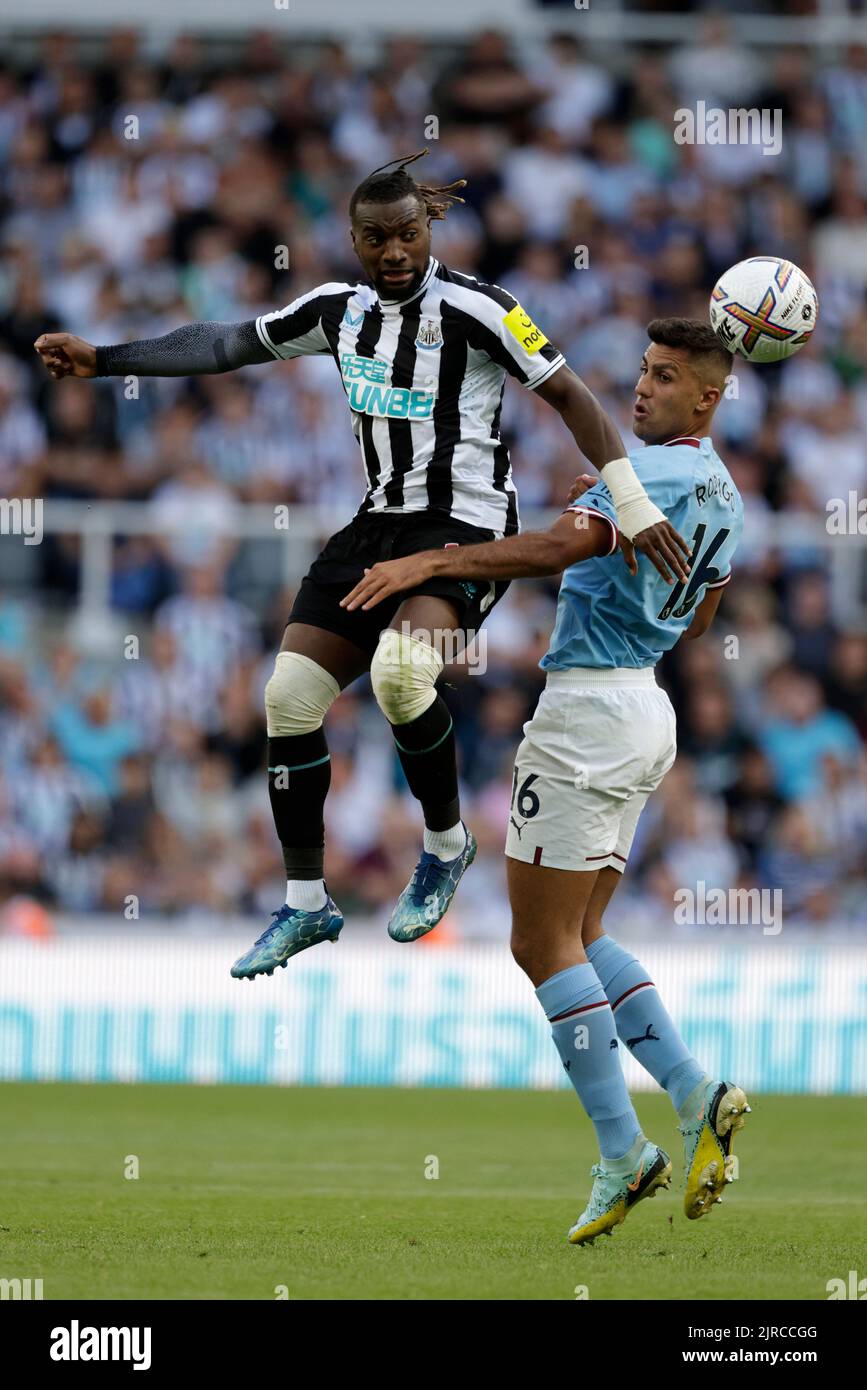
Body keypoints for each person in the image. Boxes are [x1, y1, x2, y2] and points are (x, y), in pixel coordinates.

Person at [34, 150, 689, 981]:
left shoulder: (482, 310)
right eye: (376, 238)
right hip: (376, 524)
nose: (393, 253)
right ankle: (307, 903)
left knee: (400, 676)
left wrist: (630, 502)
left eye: (407, 235)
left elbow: (573, 398)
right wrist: (106, 359)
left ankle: (445, 848)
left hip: (465, 523)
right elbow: (225, 344)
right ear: (353, 240)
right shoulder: (335, 312)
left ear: (427, 231)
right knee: (288, 698)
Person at [340, 317, 750, 1244]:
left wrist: (431, 561)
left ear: (707, 397)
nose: (640, 389)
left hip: (585, 716)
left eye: (666, 377)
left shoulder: (659, 476)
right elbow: (696, 622)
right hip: (645, 707)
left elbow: (553, 552)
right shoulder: (723, 492)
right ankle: (694, 1092)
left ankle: (622, 1152)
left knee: (538, 945)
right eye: (642, 372)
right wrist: (613, 509)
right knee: (584, 929)